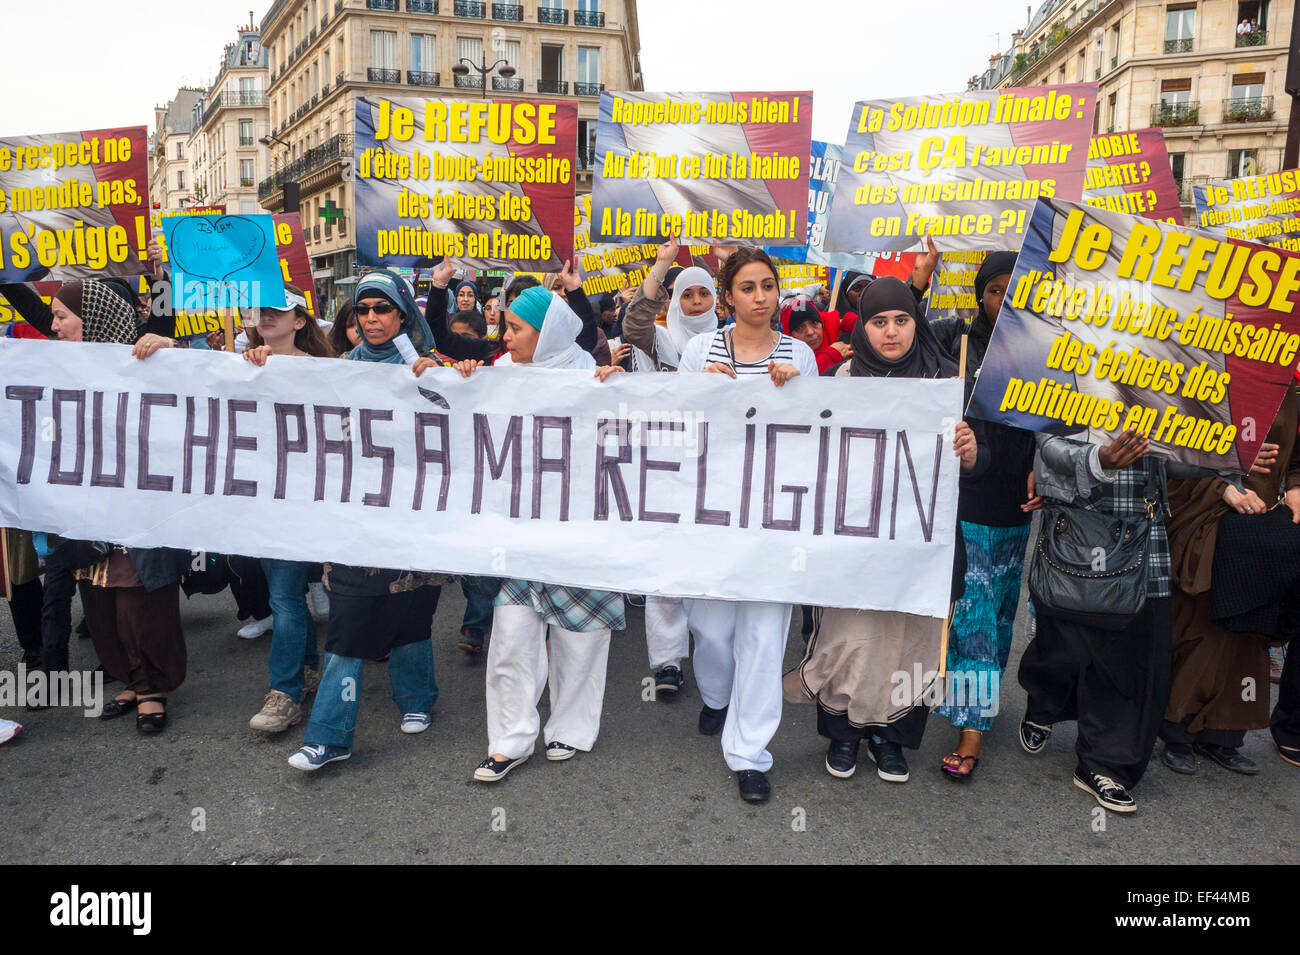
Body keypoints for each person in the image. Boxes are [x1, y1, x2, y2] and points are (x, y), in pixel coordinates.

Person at [785, 276, 982, 785]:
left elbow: (980, 462)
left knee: (907, 640)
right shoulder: (843, 380)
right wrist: (783, 390)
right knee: (851, 635)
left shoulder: (947, 380)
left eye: (901, 320)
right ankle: (845, 733)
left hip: (920, 545)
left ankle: (890, 739)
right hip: (855, 541)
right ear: (863, 327)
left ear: (916, 323)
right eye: (878, 322)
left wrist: (972, 452)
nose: (891, 332)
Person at [436, 285, 626, 781]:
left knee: (580, 638)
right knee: (511, 638)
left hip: (580, 531)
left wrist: (624, 388)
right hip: (518, 532)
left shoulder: (594, 377)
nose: (506, 336)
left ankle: (569, 728)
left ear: (548, 334)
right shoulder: (496, 375)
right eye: (507, 326)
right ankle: (510, 740)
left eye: (517, 328)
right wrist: (458, 383)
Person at [674, 246, 818, 804]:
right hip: (710, 509)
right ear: (727, 296)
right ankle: (717, 695)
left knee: (763, 633)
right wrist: (702, 390)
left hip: (774, 514)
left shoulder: (798, 356)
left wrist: (796, 395)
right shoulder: (697, 349)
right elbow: (677, 429)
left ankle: (750, 751)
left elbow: (816, 437)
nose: (761, 297)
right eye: (748, 288)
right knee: (710, 627)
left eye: (769, 286)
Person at [288, 270, 448, 770]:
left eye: (382, 309)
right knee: (348, 624)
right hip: (357, 520)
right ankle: (330, 736)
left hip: (415, 516)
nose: (372, 318)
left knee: (412, 614)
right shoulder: (339, 371)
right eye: (363, 310)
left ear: (403, 314)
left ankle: (417, 696)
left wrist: (447, 379)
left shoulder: (431, 367)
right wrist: (255, 363)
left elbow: (465, 422)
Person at [1017, 427, 1177, 813]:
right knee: (1065, 647)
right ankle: (1046, 702)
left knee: (1130, 661)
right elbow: (1047, 440)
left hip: (1140, 535)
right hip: (1074, 528)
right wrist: (1098, 460)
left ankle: (1105, 766)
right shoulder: (1069, 368)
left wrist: (1227, 462)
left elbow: (1182, 452)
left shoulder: (1170, 371)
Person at [930, 252, 1042, 779]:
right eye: (996, 289)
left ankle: (982, 696)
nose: (1005, 298)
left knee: (1001, 613)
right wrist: (920, 275)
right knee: (972, 613)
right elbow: (898, 325)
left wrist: (1047, 469)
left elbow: (1061, 424)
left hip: (1019, 506)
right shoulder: (959, 341)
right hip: (968, 502)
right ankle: (970, 729)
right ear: (980, 295)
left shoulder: (1042, 349)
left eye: (1015, 288)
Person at [1161, 382, 1300, 775]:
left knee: (1251, 629)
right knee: (1202, 623)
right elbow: (1173, 445)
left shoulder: (1289, 384)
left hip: (1263, 529)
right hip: (1203, 511)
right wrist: (1223, 485)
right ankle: (1177, 730)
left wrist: (1294, 487)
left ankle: (1223, 734)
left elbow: (1294, 459)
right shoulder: (1208, 368)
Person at [620, 236, 721, 697]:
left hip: (718, 471)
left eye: (703, 293)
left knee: (707, 565)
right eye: (688, 294)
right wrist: (663, 266)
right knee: (664, 565)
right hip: (663, 467)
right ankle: (666, 663)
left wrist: (721, 262)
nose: (696, 301)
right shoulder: (660, 340)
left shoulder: (733, 343)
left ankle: (711, 653)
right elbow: (635, 320)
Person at [238, 286, 333, 732]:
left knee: (284, 597)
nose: (268, 316)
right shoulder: (242, 364)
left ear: (299, 321)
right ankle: (308, 669)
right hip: (259, 497)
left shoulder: (320, 370)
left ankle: (286, 694)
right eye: (263, 311)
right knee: (287, 592)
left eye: (280, 311)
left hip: (300, 498)